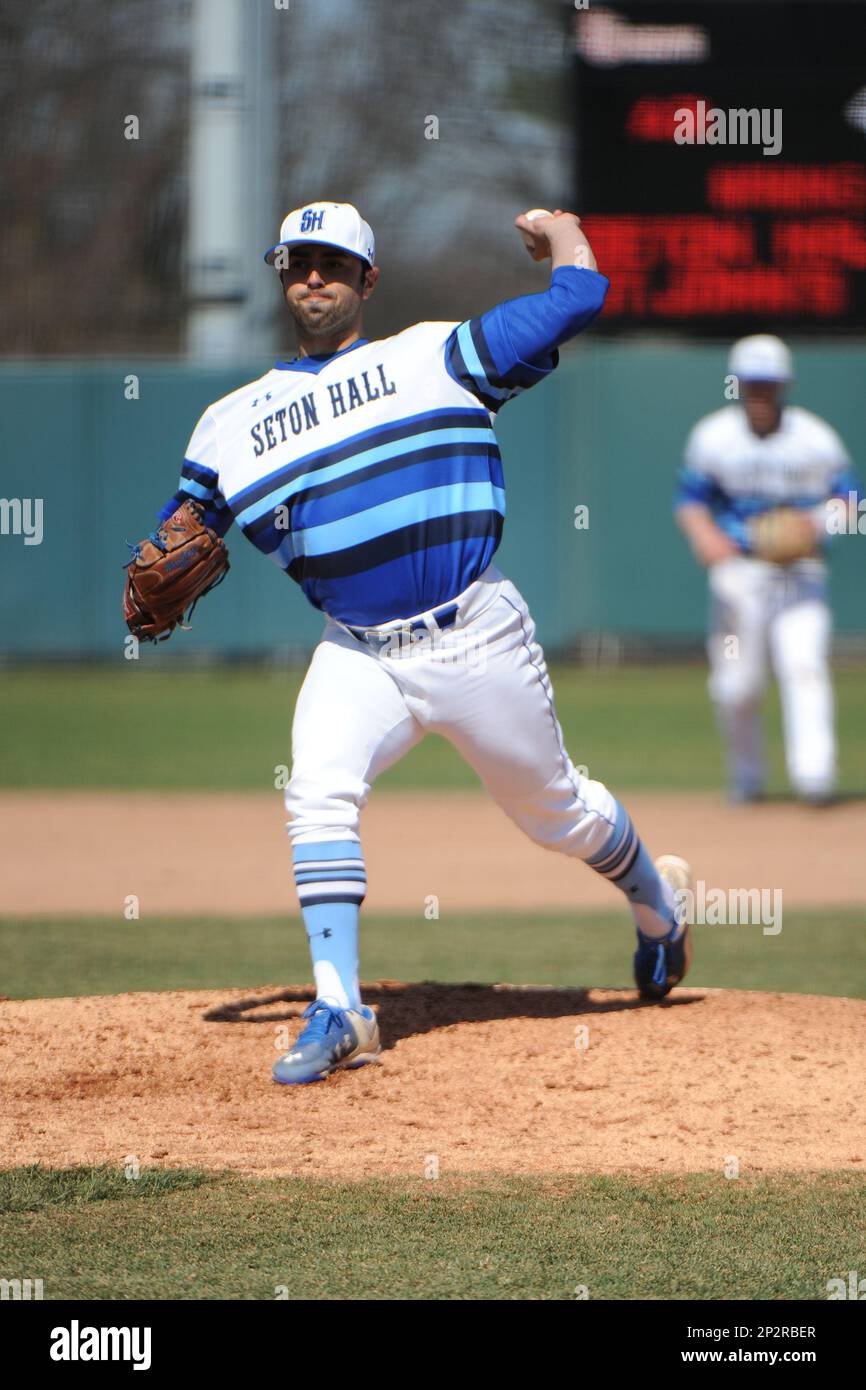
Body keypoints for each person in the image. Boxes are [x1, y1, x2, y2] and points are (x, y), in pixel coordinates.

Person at [155, 200, 693, 1085]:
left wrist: (560, 235)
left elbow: (580, 297)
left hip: (473, 632)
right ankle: (340, 1008)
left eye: (332, 263)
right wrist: (160, 551)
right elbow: (181, 530)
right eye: (296, 263)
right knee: (318, 791)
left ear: (368, 279)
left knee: (554, 812)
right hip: (357, 650)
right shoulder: (228, 425)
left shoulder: (437, 355)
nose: (313, 277)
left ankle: (656, 908)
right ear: (280, 276)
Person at [674, 334, 858, 805]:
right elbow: (691, 502)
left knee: (805, 666)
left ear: (784, 386)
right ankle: (748, 777)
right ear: (736, 385)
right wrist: (706, 538)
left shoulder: (814, 438)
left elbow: (852, 504)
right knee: (737, 685)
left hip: (801, 574)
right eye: (751, 385)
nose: (759, 394)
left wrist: (813, 526)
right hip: (740, 575)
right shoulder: (714, 436)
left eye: (767, 385)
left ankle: (814, 778)